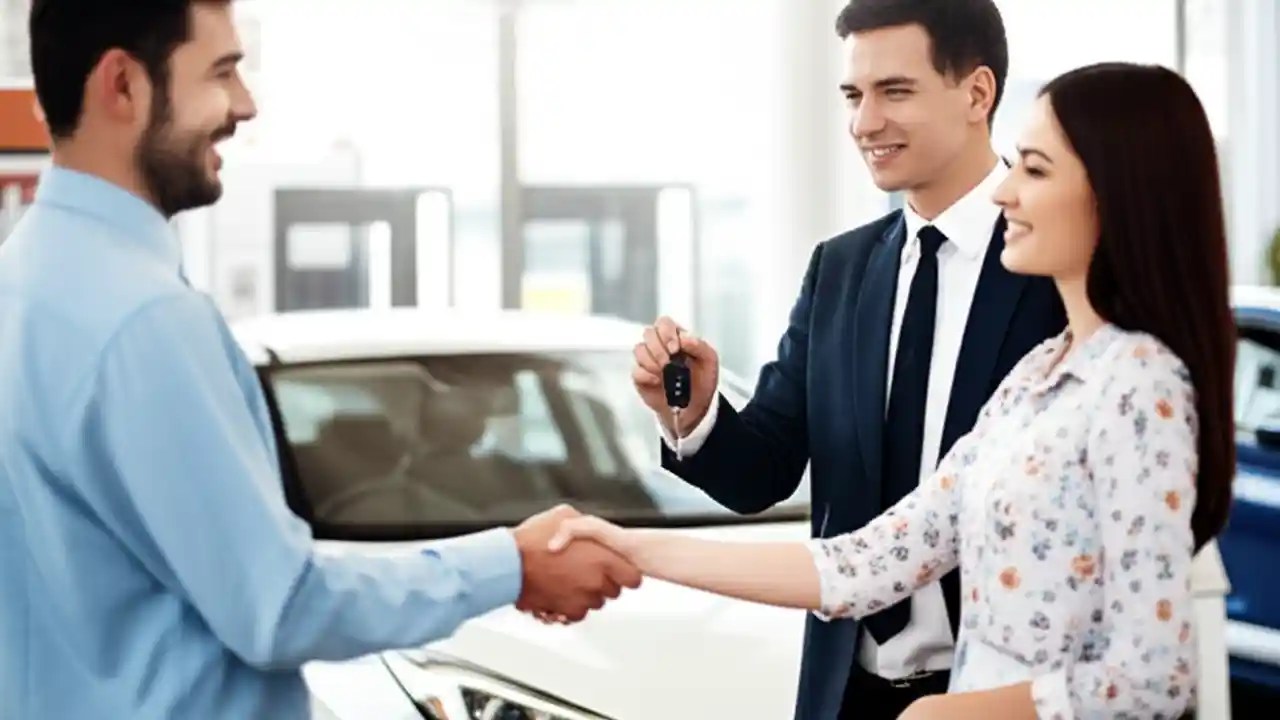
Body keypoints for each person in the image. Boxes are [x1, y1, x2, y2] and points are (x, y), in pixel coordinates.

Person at [0, 2, 638, 719]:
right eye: (221, 72)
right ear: (122, 86)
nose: (244, 105)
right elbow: (279, 605)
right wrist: (512, 564)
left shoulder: (22, 284)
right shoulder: (145, 320)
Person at [553, 61, 1235, 719]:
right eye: (854, 92)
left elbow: (1154, 676)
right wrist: (629, 548)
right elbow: (865, 563)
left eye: (1034, 169)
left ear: (1115, 193)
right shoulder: (1037, 378)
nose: (1005, 192)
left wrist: (954, 714)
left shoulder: (1140, 383)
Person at [632, 1, 1065, 717]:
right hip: (847, 695)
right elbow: (763, 472)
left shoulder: (1058, 264)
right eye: (853, 95)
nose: (865, 123)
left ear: (977, 94)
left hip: (1006, 695)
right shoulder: (841, 269)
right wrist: (695, 412)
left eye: (895, 91)